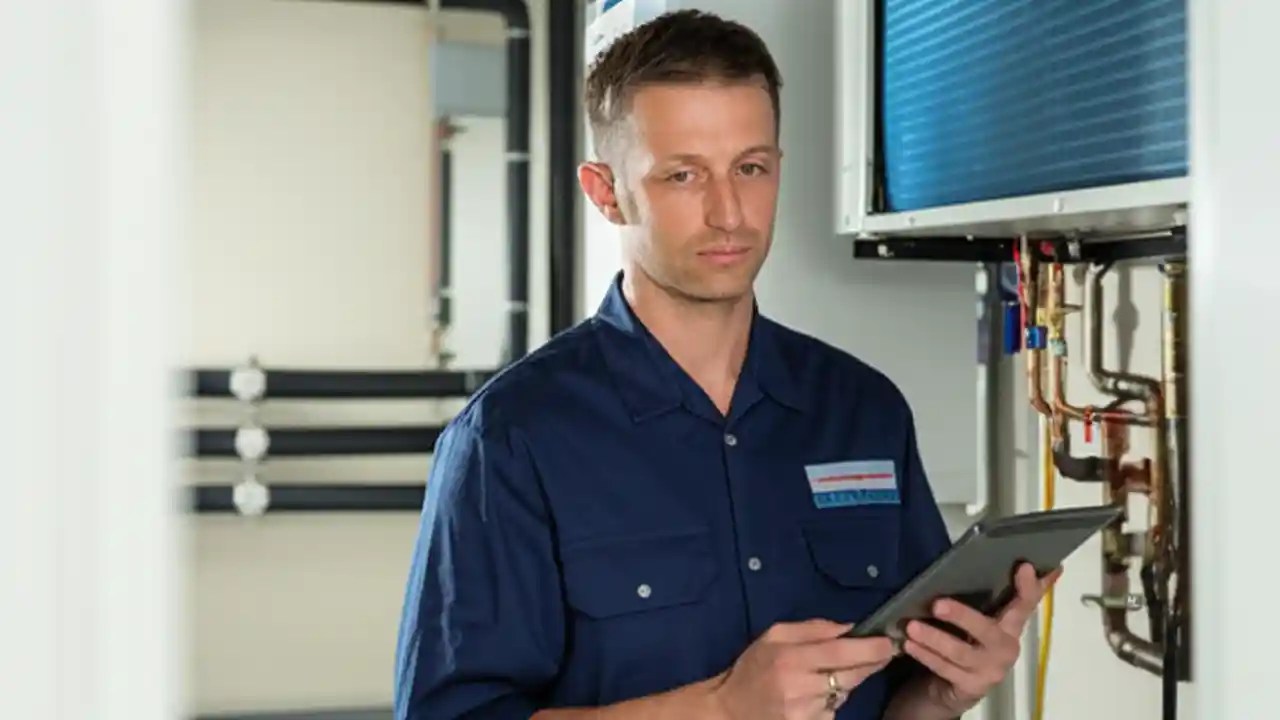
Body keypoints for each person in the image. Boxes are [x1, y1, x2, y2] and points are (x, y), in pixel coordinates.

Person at [394, 10, 1056, 720]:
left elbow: (893, 703)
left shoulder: (863, 408)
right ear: (605, 192)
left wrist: (941, 692)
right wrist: (719, 707)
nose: (731, 213)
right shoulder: (511, 438)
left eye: (751, 168)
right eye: (683, 175)